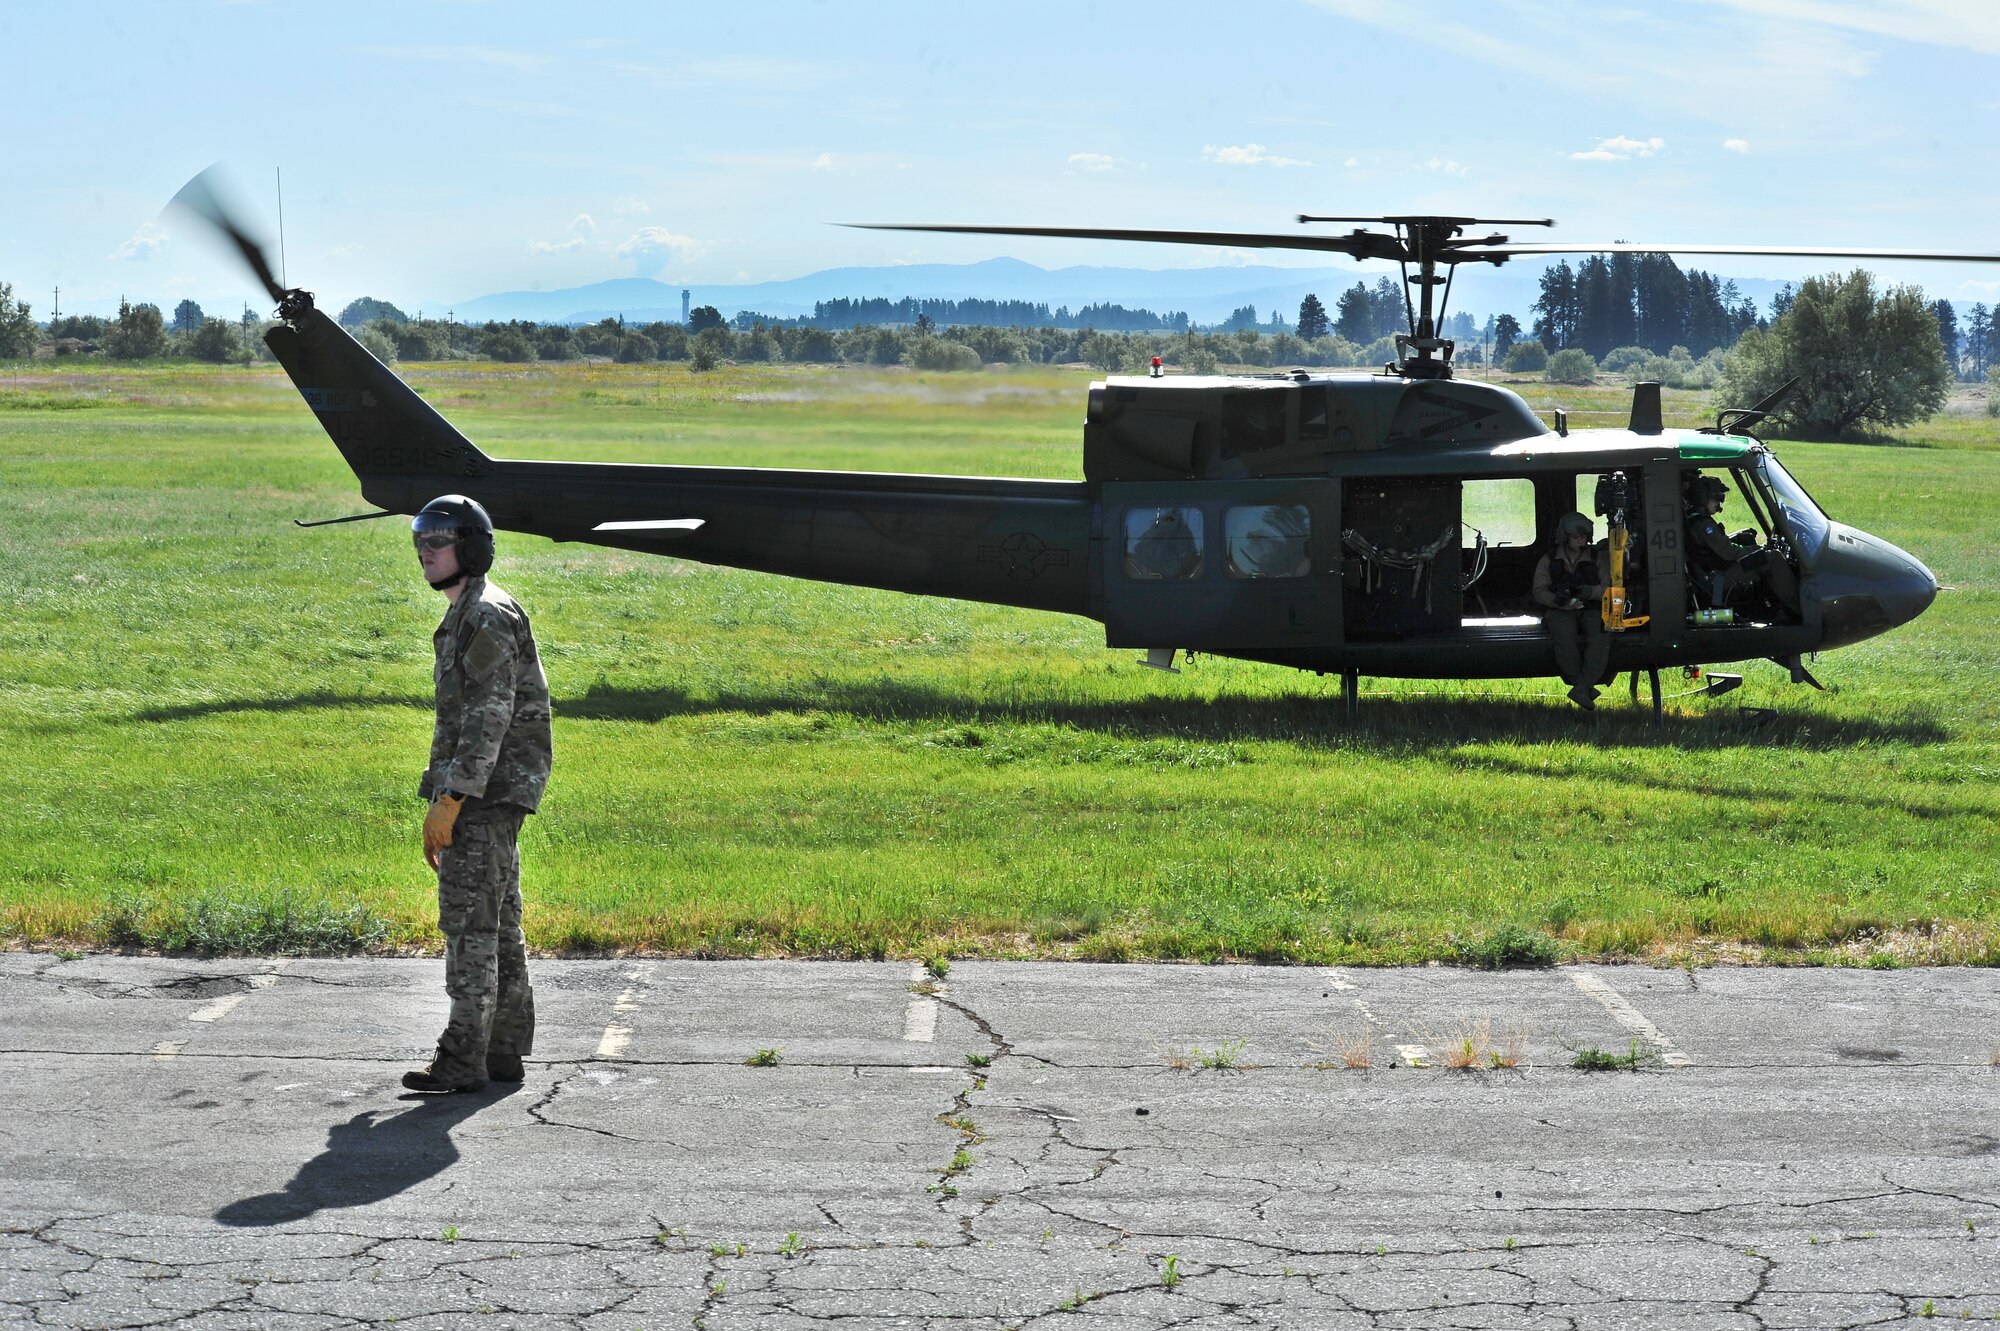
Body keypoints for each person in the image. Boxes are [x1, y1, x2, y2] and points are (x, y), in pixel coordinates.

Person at [404, 494, 553, 1094]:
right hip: (491, 790)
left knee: (469, 927)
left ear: (469, 548)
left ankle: (462, 1059)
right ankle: (502, 1053)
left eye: (437, 542)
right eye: (420, 541)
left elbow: (488, 717)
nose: (425, 552)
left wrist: (451, 799)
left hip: (484, 794)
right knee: (499, 923)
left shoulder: (486, 614)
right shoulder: (471, 610)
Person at [1683, 473, 1801, 614]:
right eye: (1716, 499)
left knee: (1754, 546)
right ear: (1702, 499)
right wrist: (1756, 549)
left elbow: (1719, 548)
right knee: (1773, 557)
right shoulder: (1704, 526)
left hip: (1717, 570)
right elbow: (1729, 552)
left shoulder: (1696, 520)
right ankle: (1798, 609)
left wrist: (1742, 540)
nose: (1719, 504)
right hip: (1718, 578)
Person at [1532, 512, 1611, 710]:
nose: (1580, 541)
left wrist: (1589, 592)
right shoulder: (1549, 560)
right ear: (1564, 537)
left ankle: (1581, 687)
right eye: (1576, 537)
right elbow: (1539, 591)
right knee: (1563, 635)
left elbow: (1608, 588)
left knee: (1600, 635)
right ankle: (1583, 687)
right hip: (1560, 609)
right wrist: (1559, 601)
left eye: (1583, 537)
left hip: (1590, 608)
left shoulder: (1596, 558)